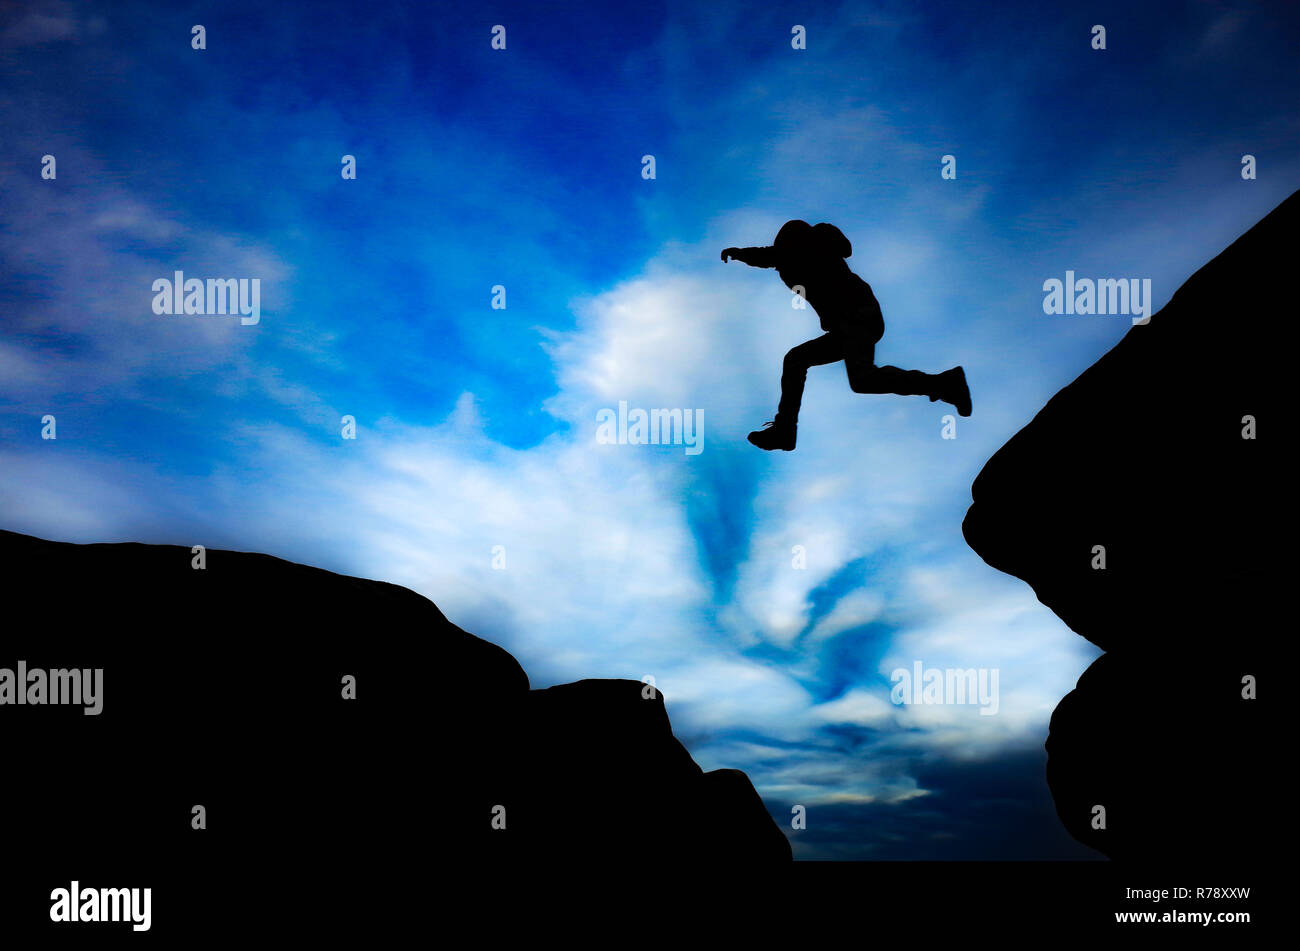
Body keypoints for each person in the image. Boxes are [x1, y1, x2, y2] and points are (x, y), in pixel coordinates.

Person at [722, 220, 971, 451]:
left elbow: (832, 249)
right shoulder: (793, 255)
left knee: (818, 366)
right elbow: (769, 256)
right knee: (852, 377)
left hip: (858, 316)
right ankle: (945, 384)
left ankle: (785, 431)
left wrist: (742, 253)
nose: (782, 266)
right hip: (850, 325)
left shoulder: (813, 244)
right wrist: (740, 254)